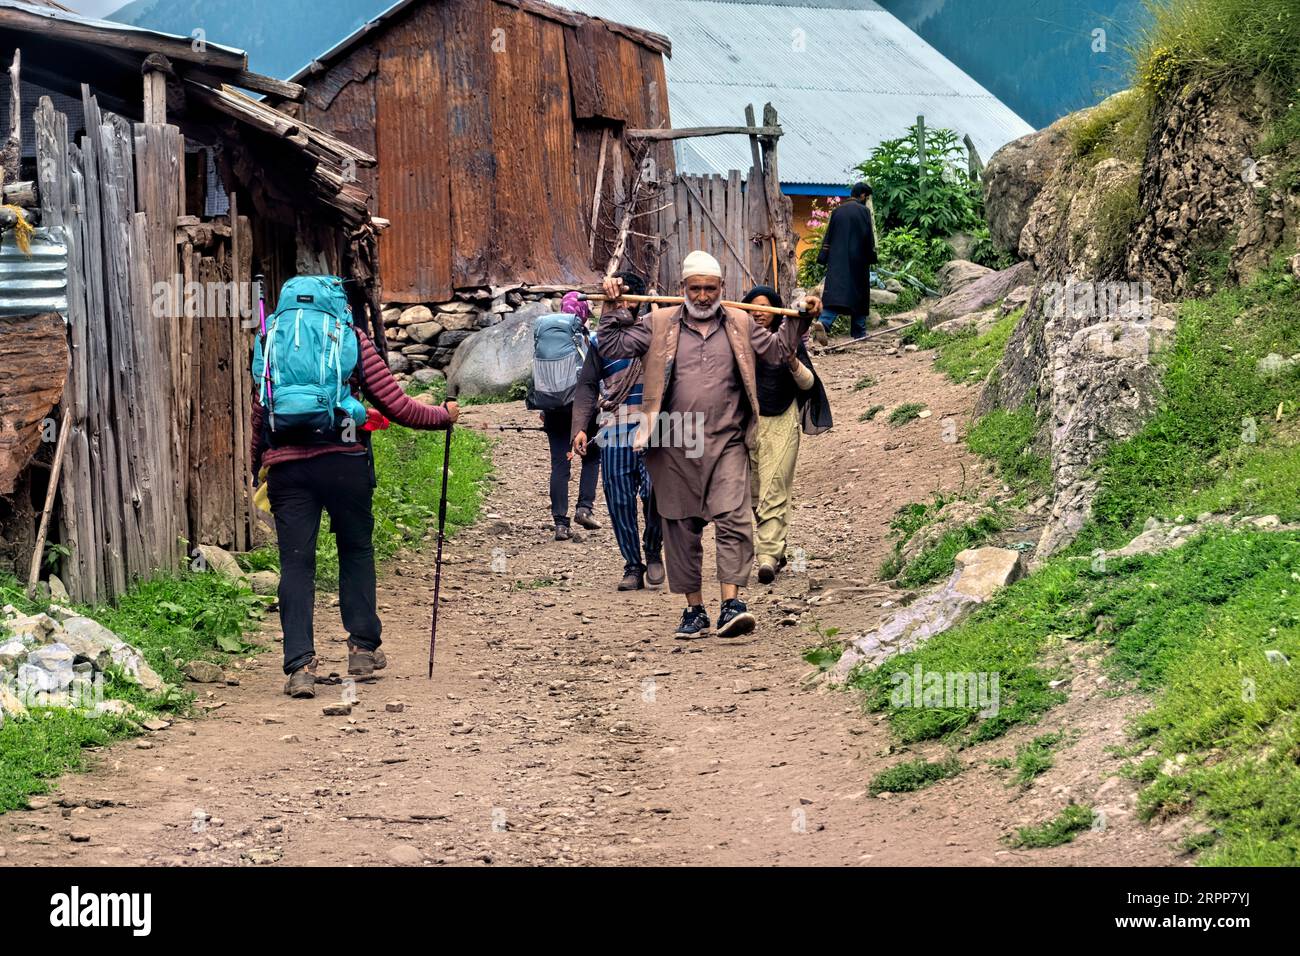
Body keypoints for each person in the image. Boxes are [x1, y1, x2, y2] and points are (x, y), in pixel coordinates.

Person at [597, 251, 818, 639]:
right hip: (673, 437)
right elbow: (612, 346)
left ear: (722, 289)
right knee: (681, 526)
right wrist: (614, 306)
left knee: (734, 518)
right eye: (695, 288)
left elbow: (780, 352)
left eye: (709, 289)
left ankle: (732, 603)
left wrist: (802, 317)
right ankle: (694, 610)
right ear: (682, 289)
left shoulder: (740, 322)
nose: (702, 296)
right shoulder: (657, 321)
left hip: (727, 438)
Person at [251, 301, 459, 700]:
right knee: (356, 550)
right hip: (346, 461)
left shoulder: (270, 336)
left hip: (287, 469)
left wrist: (258, 463)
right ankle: (362, 649)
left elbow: (260, 410)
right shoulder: (349, 335)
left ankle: (299, 666)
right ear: (336, 303)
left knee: (296, 564)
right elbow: (395, 404)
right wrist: (442, 416)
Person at [571, 271, 665, 591]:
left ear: (637, 303)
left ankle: (653, 547)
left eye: (624, 299)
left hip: (656, 425)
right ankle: (633, 564)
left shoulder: (656, 333)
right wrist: (581, 428)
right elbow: (586, 386)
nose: (619, 306)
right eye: (613, 301)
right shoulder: (600, 343)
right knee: (619, 497)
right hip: (614, 427)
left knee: (656, 490)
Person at [740, 285, 831, 583]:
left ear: (777, 311)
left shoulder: (786, 342)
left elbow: (807, 385)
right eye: (752, 307)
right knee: (754, 494)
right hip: (747, 424)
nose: (758, 312)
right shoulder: (739, 345)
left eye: (765, 307)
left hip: (781, 420)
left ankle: (766, 556)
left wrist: (792, 361)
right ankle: (777, 549)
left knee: (774, 489)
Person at [534, 292, 601, 541]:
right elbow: (593, 378)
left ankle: (560, 524)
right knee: (592, 457)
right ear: (583, 313)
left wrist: (543, 407)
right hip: (582, 409)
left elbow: (539, 374)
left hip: (552, 408)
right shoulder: (586, 338)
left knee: (560, 464)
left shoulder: (545, 337)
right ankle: (584, 508)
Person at [817, 181, 878, 340]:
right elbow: (868, 237)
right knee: (859, 294)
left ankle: (823, 323)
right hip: (858, 261)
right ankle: (859, 332)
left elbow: (828, 235)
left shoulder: (837, 211)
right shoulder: (863, 211)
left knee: (835, 295)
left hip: (837, 261)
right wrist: (872, 256)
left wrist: (823, 256)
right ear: (863, 195)